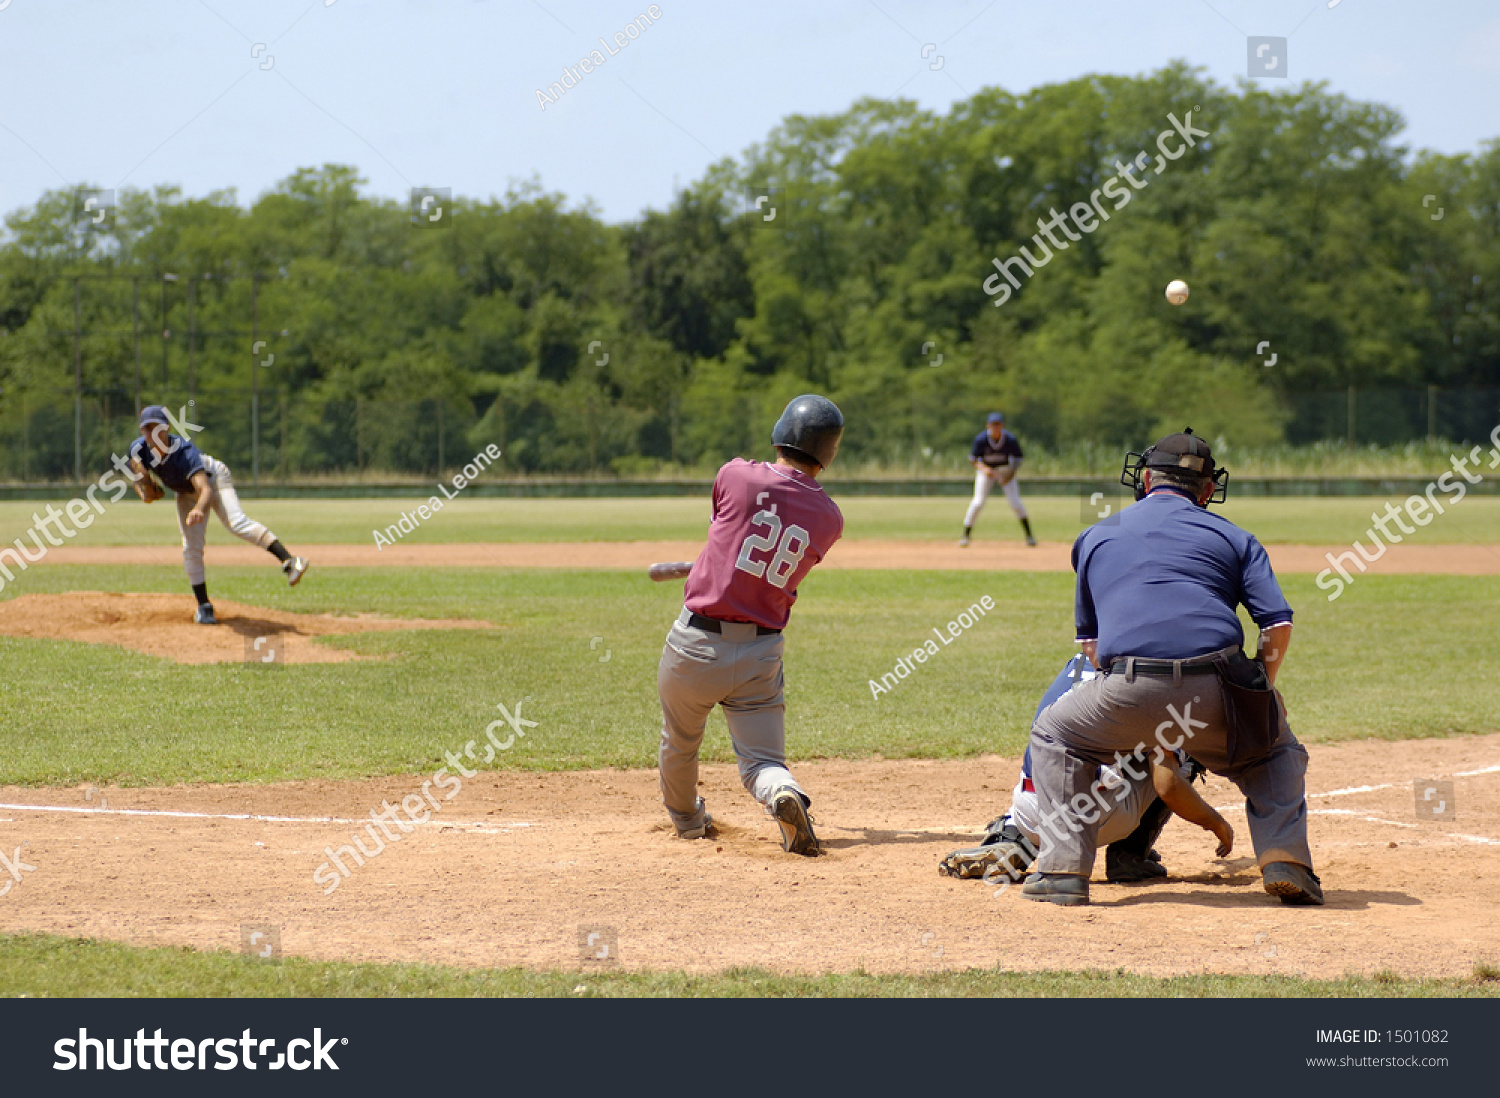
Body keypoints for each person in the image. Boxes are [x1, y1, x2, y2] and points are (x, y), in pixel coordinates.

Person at [1022, 428, 1318, 908]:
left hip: (1126, 686)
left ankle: (1062, 872)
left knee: (1056, 735)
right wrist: (1259, 689)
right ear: (1206, 490)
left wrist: (1140, 715)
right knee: (1274, 753)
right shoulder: (1235, 537)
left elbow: (1091, 648)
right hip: (1217, 689)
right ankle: (1286, 860)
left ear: (1143, 478)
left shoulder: (1096, 536)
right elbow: (1277, 626)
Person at [656, 395, 845, 856]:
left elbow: (728, 531)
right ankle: (783, 793)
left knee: (681, 742)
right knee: (762, 761)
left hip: (696, 644)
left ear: (781, 430)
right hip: (761, 652)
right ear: (829, 452)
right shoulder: (830, 519)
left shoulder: (735, 474)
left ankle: (687, 821)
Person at [939, 653, 1233, 884]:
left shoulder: (1078, 663)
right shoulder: (1148, 679)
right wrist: (1217, 823)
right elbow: (1167, 786)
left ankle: (1012, 837)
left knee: (1053, 752)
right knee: (1181, 748)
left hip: (1030, 810)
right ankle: (1129, 856)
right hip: (1095, 820)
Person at [128, 405, 308, 624]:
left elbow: (205, 490)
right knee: (191, 547)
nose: (151, 433)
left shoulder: (185, 453)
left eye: (156, 427)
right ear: (141, 430)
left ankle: (290, 561)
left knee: (237, 523)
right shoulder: (138, 449)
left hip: (214, 480)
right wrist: (142, 490)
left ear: (167, 428)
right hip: (185, 492)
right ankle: (204, 608)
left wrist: (198, 509)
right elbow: (138, 473)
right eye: (147, 429)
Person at [960, 412, 1034, 547]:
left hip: (1005, 471)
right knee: (977, 503)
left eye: (998, 424)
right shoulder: (981, 439)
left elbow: (1018, 459)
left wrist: (1010, 473)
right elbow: (973, 460)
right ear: (988, 425)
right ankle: (965, 536)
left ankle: (1029, 536)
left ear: (1002, 425)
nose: (995, 427)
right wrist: (984, 469)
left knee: (1015, 503)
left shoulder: (1010, 439)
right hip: (986, 472)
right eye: (993, 424)